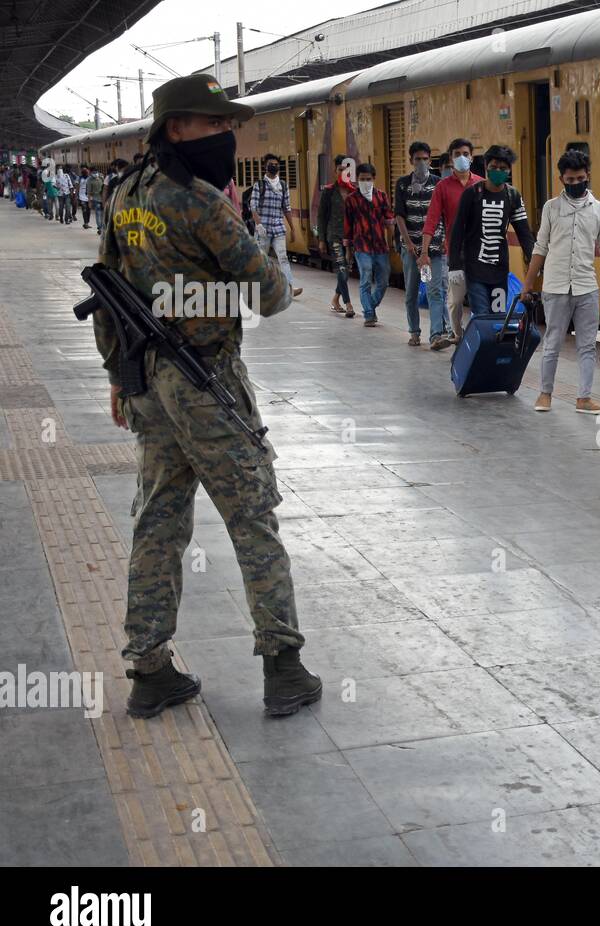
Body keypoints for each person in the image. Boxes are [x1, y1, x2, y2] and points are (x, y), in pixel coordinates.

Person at [94, 73, 321, 719]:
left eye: (228, 124)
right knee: (253, 517)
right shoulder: (198, 202)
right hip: (208, 386)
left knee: (158, 522)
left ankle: (148, 668)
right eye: (212, 122)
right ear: (175, 128)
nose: (226, 133)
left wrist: (119, 377)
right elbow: (270, 295)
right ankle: (284, 668)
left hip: (149, 388)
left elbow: (107, 298)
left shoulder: (123, 194)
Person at [524, 149, 600, 414]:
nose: (575, 184)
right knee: (552, 341)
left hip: (587, 286)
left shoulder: (599, 210)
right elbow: (540, 247)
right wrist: (528, 284)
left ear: (588, 175)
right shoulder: (551, 208)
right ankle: (545, 394)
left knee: (587, 346)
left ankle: (584, 398)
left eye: (579, 178)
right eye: (570, 180)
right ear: (561, 179)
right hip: (555, 287)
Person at [447, 144, 535, 324]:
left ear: (509, 170)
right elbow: (457, 230)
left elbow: (524, 232)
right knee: (482, 315)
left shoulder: (513, 196)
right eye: (493, 167)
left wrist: (535, 262)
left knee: (497, 317)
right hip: (474, 269)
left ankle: (492, 350)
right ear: (486, 167)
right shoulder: (472, 193)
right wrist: (454, 265)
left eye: (503, 168)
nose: (497, 171)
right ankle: (481, 349)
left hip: (499, 271)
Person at [420, 138, 482, 345]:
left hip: (481, 253)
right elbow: (431, 220)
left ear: (472, 157)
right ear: (451, 159)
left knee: (479, 300)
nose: (462, 158)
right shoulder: (443, 187)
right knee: (455, 302)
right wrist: (424, 252)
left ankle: (478, 339)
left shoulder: (481, 185)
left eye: (465, 153)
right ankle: (458, 334)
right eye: (457, 154)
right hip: (455, 253)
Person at [394, 141, 447, 347]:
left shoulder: (438, 183)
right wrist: (408, 244)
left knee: (435, 291)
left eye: (425, 159)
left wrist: (442, 240)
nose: (422, 163)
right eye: (418, 159)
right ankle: (414, 332)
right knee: (411, 293)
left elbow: (443, 215)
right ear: (411, 161)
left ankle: (435, 335)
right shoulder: (403, 184)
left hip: (433, 248)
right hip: (411, 248)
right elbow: (399, 216)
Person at [343, 162, 396, 328]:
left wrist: (394, 239)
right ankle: (368, 314)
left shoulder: (381, 196)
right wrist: (348, 248)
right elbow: (347, 225)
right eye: (362, 179)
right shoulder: (351, 200)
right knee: (365, 277)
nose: (365, 182)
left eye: (368, 179)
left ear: (374, 179)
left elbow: (389, 219)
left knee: (383, 281)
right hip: (361, 246)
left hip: (380, 246)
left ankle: (370, 306)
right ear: (357, 180)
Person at [250, 153, 302, 297]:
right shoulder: (259, 185)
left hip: (278, 228)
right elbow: (253, 207)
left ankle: (290, 287)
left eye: (275, 164)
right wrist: (258, 225)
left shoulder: (283, 185)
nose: (273, 166)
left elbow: (287, 207)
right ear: (265, 167)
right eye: (270, 164)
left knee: (283, 257)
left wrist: (292, 228)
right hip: (263, 230)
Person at [315, 154, 355, 318]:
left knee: (346, 270)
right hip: (335, 235)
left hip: (350, 238)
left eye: (347, 170)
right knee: (342, 269)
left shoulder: (354, 191)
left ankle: (335, 299)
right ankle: (348, 303)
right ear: (335, 170)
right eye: (340, 170)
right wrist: (322, 239)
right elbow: (321, 216)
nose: (343, 172)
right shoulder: (329, 191)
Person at [87, 166, 106, 234]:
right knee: (98, 214)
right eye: (93, 172)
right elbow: (88, 192)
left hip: (103, 198)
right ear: (91, 172)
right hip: (95, 198)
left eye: (96, 172)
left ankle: (103, 227)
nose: (95, 173)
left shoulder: (101, 177)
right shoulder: (89, 180)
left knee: (103, 214)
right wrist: (89, 202)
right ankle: (100, 228)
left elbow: (105, 187)